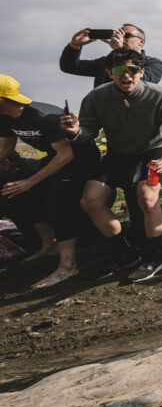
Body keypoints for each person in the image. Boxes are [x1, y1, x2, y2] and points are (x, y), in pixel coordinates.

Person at [61, 48, 162, 282]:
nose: (126, 76)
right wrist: (75, 131)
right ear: (109, 73)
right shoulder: (96, 97)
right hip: (118, 154)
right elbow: (88, 132)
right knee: (91, 201)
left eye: (133, 70)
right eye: (119, 70)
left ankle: (154, 257)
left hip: (152, 152)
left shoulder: (159, 95)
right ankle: (125, 254)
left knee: (147, 198)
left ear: (142, 72)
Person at [0, 75, 101, 287]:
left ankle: (68, 267)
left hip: (81, 158)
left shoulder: (41, 116)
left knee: (59, 202)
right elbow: (5, 149)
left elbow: (67, 155)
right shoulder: (5, 117)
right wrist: (27, 184)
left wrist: (30, 181)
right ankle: (49, 246)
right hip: (56, 157)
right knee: (21, 193)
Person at [59, 24, 162, 87]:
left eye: (126, 36)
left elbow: (142, 82)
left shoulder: (154, 63)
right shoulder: (105, 62)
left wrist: (120, 51)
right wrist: (74, 46)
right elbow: (69, 67)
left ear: (141, 42)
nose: (121, 38)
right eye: (119, 34)